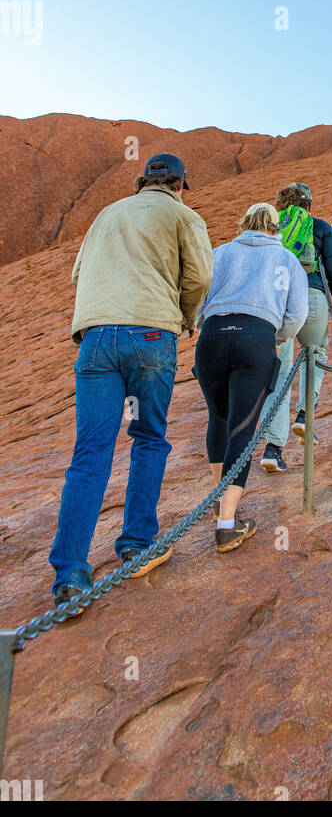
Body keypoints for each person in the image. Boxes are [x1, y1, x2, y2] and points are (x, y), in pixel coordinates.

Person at [49, 154, 213, 609]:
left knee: (91, 451)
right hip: (150, 337)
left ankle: (70, 575)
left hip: (97, 341)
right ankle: (137, 543)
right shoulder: (184, 215)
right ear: (180, 184)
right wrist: (184, 318)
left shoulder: (107, 213)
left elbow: (78, 274)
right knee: (147, 437)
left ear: (143, 183)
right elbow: (199, 276)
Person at [194, 203, 308, 551]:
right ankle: (227, 523)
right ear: (276, 228)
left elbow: (200, 293)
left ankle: (222, 499)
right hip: (256, 338)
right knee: (243, 429)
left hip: (212, 338)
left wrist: (204, 323)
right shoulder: (287, 259)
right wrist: (275, 337)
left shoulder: (221, 252)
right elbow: (296, 313)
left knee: (219, 418)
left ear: (244, 224)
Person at [260, 183, 332, 466]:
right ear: (309, 206)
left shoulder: (270, 228)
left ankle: (273, 450)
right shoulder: (321, 227)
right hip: (311, 297)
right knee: (314, 355)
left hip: (277, 302)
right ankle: (304, 415)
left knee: (280, 370)